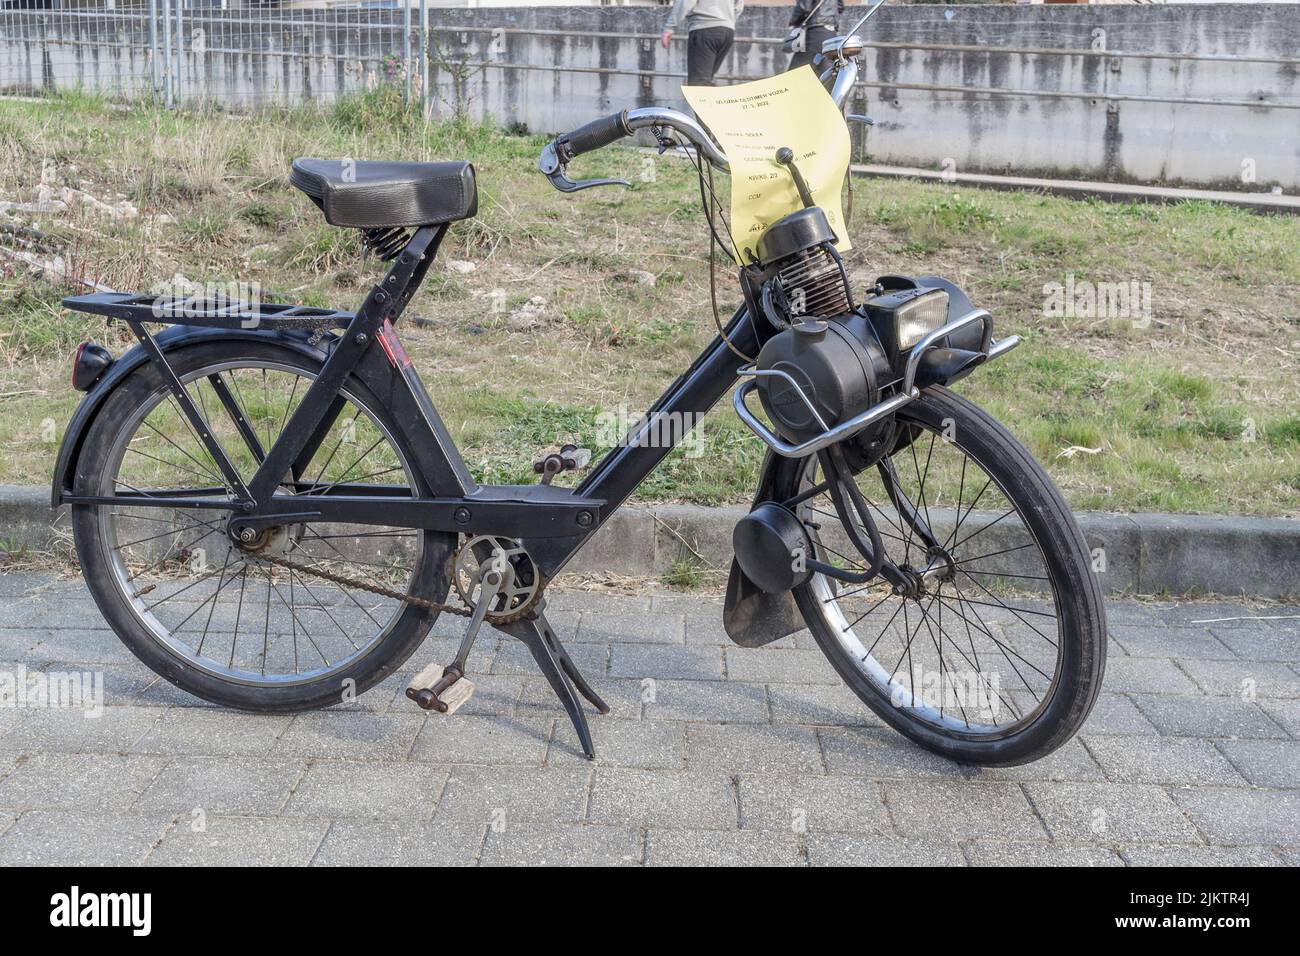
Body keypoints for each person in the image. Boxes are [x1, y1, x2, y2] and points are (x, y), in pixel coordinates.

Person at [661, 0, 745, 88]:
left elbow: (686, 2)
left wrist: (669, 28)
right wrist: (727, 21)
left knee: (699, 83)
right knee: (706, 79)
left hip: (704, 28)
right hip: (727, 31)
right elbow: (739, 6)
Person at [786, 0, 844, 73]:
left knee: (794, 75)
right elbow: (840, 7)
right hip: (831, 34)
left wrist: (793, 23)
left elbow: (804, 7)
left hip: (815, 33)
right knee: (823, 76)